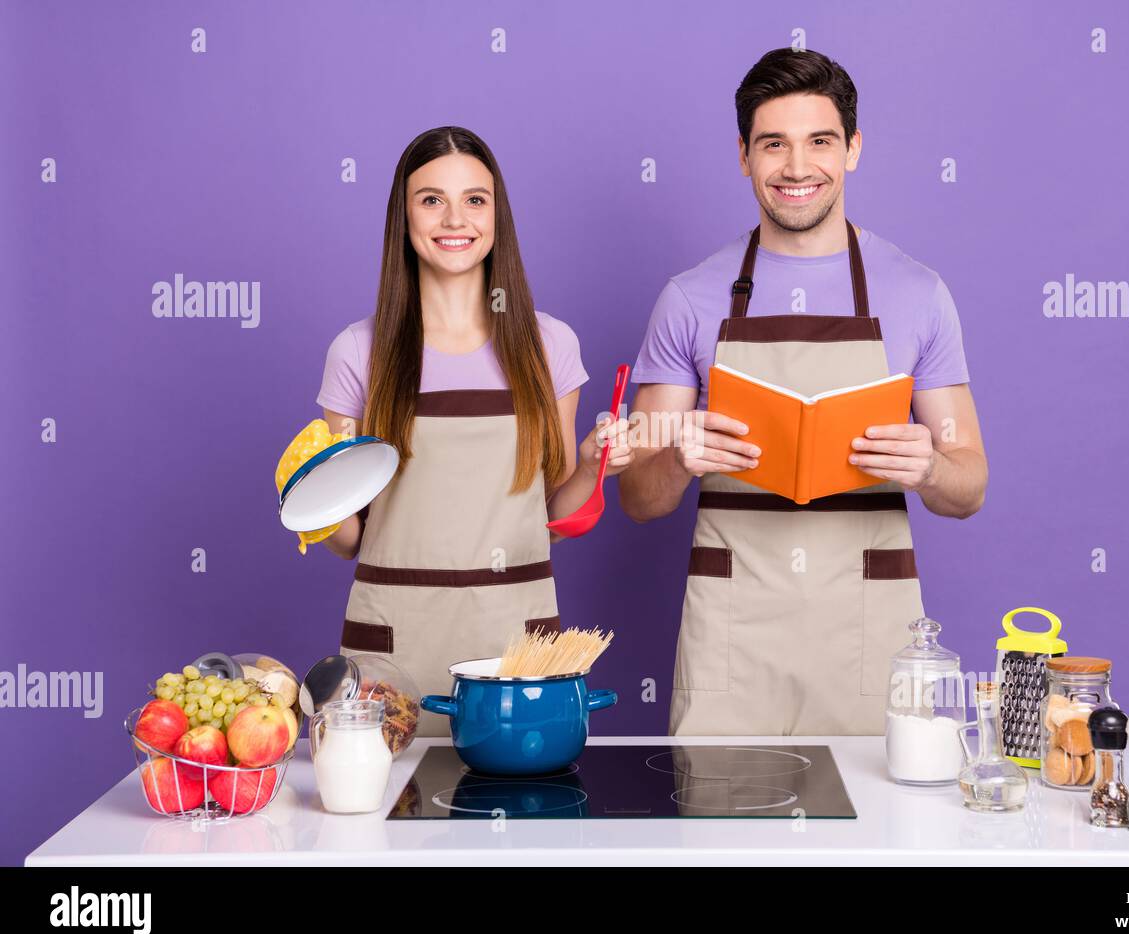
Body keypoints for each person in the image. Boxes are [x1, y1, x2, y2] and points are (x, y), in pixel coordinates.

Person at [619, 50, 988, 736]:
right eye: (773, 145)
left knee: (881, 835)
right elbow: (640, 499)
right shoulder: (690, 299)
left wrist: (932, 467)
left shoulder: (917, 293)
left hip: (870, 633)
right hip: (732, 638)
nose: (796, 168)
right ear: (742, 156)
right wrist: (677, 456)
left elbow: (970, 487)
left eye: (819, 141)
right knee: (719, 833)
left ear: (852, 149)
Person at [316, 127, 631, 736]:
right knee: (385, 820)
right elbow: (349, 537)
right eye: (431, 199)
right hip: (392, 645)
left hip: (516, 647)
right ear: (402, 217)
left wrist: (593, 466)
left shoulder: (549, 345)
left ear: (497, 216)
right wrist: (312, 501)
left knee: (515, 816)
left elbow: (555, 518)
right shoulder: (358, 351)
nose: (454, 218)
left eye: (475, 200)